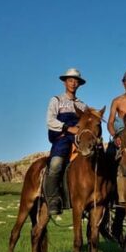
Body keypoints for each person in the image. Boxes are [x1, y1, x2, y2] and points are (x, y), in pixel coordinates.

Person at [45, 68, 88, 215]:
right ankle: (53, 200)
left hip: (77, 139)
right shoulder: (56, 100)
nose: (73, 83)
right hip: (62, 138)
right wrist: (67, 128)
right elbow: (50, 121)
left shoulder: (83, 106)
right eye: (70, 80)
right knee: (56, 164)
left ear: (79, 84)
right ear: (65, 82)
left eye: (76, 81)